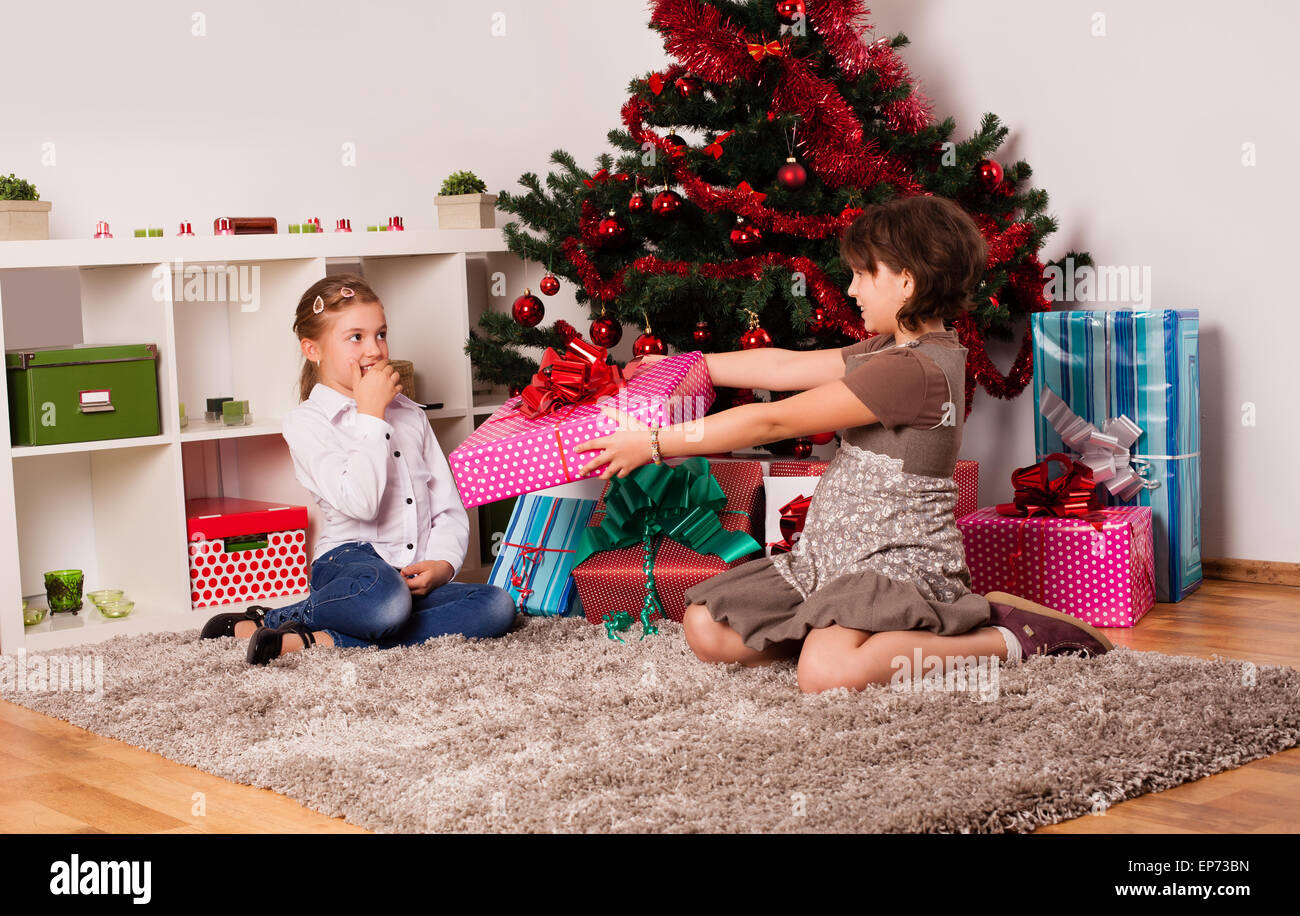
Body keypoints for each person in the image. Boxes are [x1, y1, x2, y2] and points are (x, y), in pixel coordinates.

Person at [574, 194, 1114, 693]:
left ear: (906, 282)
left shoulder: (914, 371)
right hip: (830, 558)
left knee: (827, 674)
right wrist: (691, 364)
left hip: (893, 564)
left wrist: (654, 442)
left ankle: (1005, 638)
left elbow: (772, 421)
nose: (851, 289)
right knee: (707, 628)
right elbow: (783, 365)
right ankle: (836, 636)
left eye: (862, 274)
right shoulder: (888, 349)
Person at [200, 274, 517, 663]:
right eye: (356, 338)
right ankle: (288, 616)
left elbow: (446, 506)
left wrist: (443, 563)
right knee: (384, 605)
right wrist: (372, 413)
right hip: (351, 566)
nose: (375, 350)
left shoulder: (411, 416)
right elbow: (361, 503)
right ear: (312, 349)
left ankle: (311, 639)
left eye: (380, 334)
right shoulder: (307, 422)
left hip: (408, 573)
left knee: (496, 606)